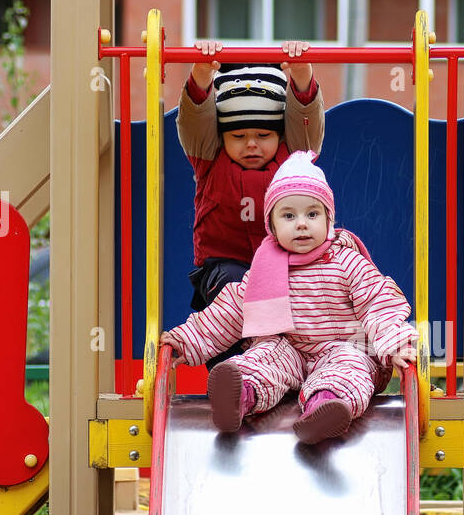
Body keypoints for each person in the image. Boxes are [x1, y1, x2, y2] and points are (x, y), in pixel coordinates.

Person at [160, 152, 417, 444]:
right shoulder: (266, 267)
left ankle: (325, 408)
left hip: (343, 347)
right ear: (271, 224)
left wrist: (395, 345)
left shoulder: (346, 262)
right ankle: (239, 397)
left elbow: (378, 303)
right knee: (263, 356)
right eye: (288, 215)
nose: (302, 224)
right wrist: (186, 341)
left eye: (312, 214)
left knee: (349, 364)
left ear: (329, 219)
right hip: (291, 352)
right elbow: (229, 311)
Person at [176, 40, 324, 319]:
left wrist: (302, 73)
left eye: (263, 136)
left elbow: (305, 117)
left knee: (307, 288)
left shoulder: (294, 155)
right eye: (239, 137)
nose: (252, 145)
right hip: (223, 269)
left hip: (288, 266)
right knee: (234, 289)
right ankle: (234, 358)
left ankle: (286, 353)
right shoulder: (210, 156)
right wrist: (202, 74)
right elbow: (195, 118)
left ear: (280, 135)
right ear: (222, 137)